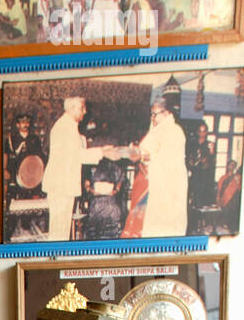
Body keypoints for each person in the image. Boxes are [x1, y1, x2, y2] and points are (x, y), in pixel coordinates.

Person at [42, 95, 118, 241]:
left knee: (61, 230)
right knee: (59, 232)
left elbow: (75, 154)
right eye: (82, 108)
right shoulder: (65, 127)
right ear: (72, 108)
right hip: (60, 185)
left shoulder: (68, 125)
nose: (85, 111)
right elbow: (77, 155)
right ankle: (55, 260)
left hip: (62, 185)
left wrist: (102, 150)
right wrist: (102, 152)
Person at [129, 95, 188, 237]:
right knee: (153, 225)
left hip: (170, 184)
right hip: (156, 183)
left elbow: (165, 157)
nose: (153, 118)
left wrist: (142, 156)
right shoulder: (155, 131)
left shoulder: (175, 131)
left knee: (168, 224)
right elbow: (145, 150)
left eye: (156, 114)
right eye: (151, 114)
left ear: (167, 113)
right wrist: (136, 152)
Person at [187, 120, 217, 232]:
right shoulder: (192, 144)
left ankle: (202, 226)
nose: (202, 133)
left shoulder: (209, 145)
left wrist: (211, 152)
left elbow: (212, 162)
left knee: (203, 203)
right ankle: (192, 226)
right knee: (192, 202)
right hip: (194, 177)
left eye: (204, 131)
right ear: (197, 132)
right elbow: (188, 160)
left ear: (207, 132)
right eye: (200, 131)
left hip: (205, 179)